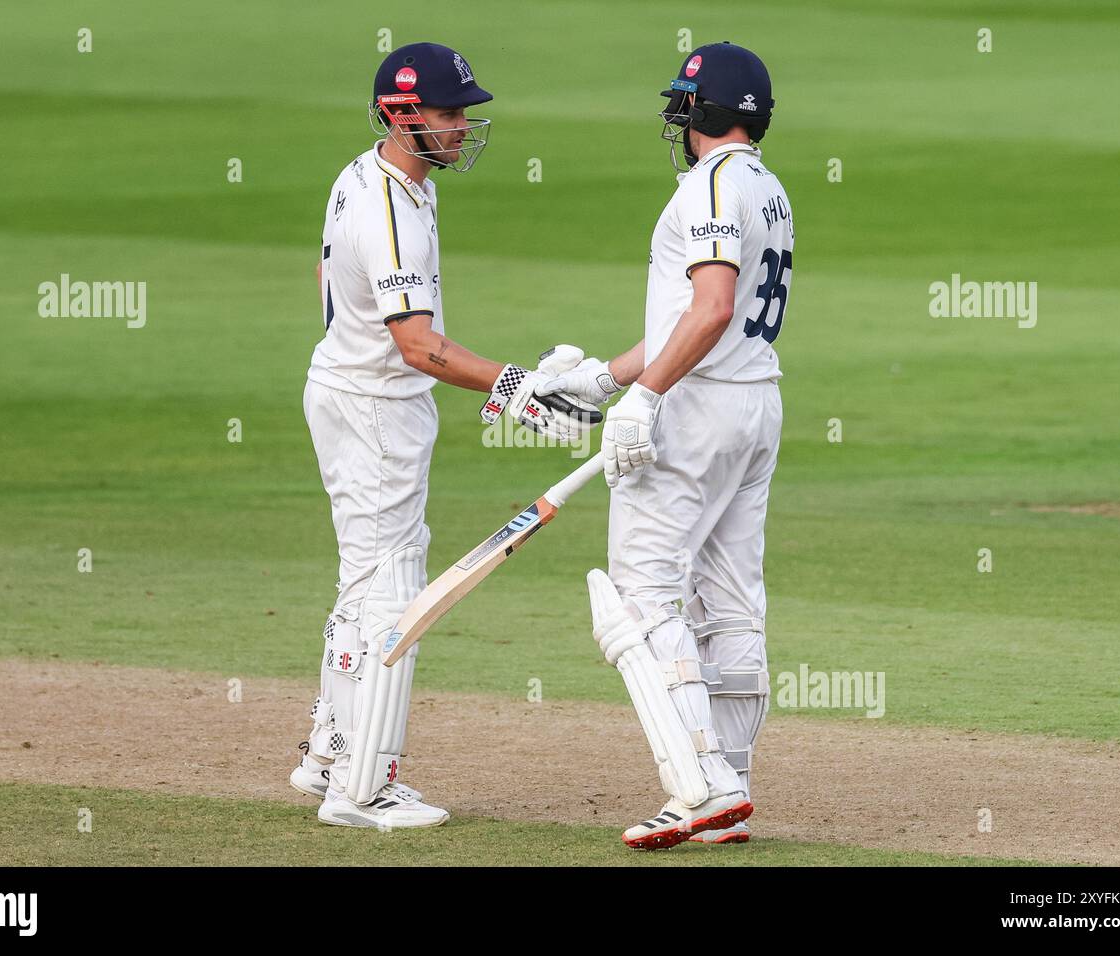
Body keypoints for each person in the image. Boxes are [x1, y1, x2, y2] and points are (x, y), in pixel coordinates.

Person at [292, 42, 594, 829]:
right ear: (401, 114)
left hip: (355, 393)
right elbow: (417, 345)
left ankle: (330, 750)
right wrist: (512, 385)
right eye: (449, 113)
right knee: (391, 589)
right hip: (373, 409)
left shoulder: (374, 176)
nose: (463, 127)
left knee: (367, 578)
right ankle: (363, 788)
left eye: (465, 112)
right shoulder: (389, 205)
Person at [540, 41, 793, 848]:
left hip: (695, 412)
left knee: (644, 595)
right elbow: (695, 319)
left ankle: (702, 784)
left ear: (704, 114)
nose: (674, 119)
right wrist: (606, 381)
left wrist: (644, 399)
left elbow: (710, 306)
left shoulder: (711, 183)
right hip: (754, 405)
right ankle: (732, 785)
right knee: (730, 599)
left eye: (682, 105)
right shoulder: (767, 185)